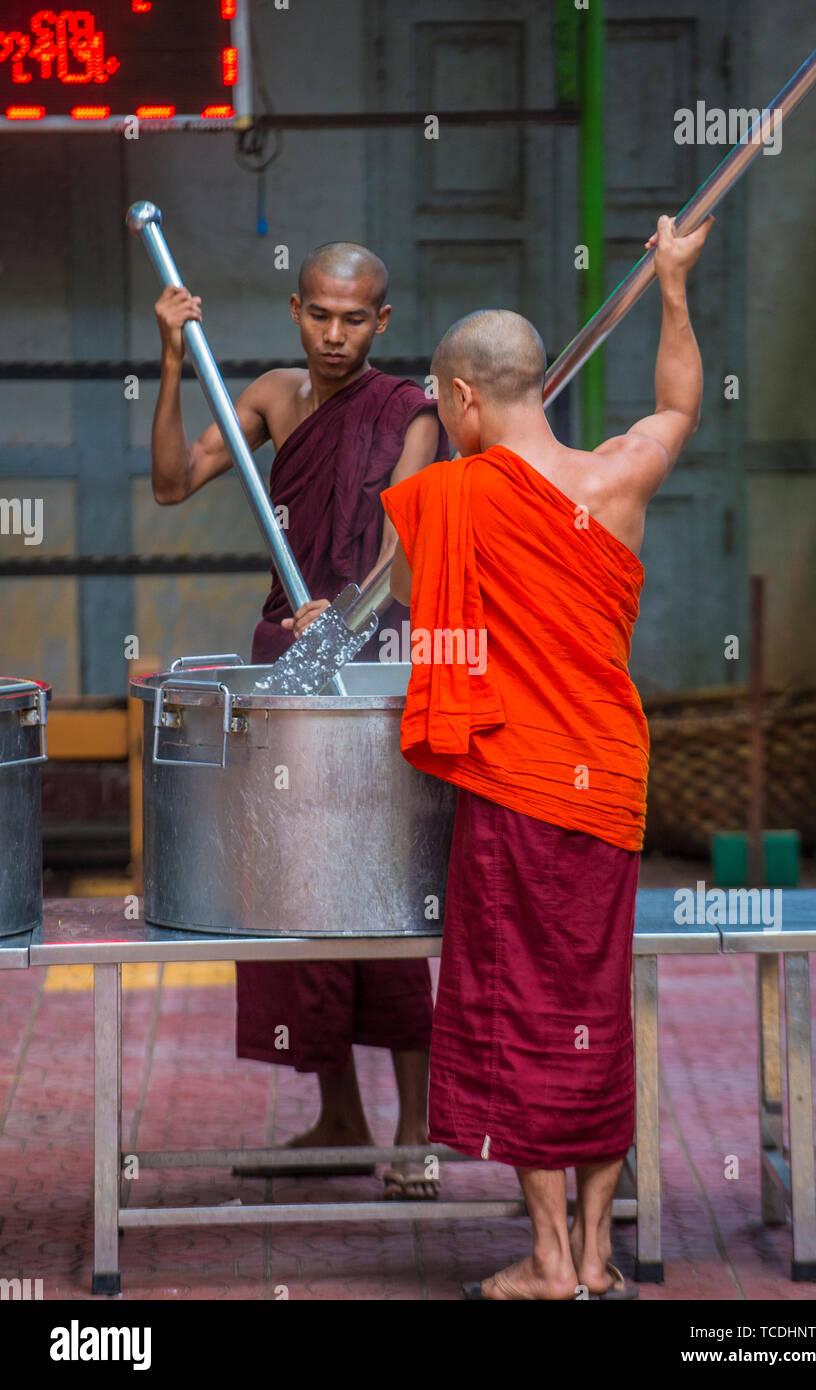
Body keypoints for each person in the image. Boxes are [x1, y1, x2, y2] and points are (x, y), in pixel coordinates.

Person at [380, 213, 714, 1293]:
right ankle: (600, 1246)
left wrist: (427, 448)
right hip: (606, 785)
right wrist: (669, 286)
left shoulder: (451, 496)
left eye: (442, 399)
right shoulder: (616, 478)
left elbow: (393, 589)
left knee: (509, 1004)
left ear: (465, 399)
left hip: (514, 790)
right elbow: (675, 404)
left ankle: (546, 1255)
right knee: (588, 1008)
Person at [150, 242, 447, 1198]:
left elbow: (405, 557)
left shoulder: (415, 415)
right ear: (294, 308)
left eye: (354, 318)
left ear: (383, 322)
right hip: (284, 660)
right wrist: (168, 361)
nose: (334, 333)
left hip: (369, 665)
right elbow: (168, 483)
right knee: (289, 893)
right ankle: (339, 1118)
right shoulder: (274, 397)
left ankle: (417, 1132)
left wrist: (345, 613)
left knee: (382, 891)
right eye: (320, 313)